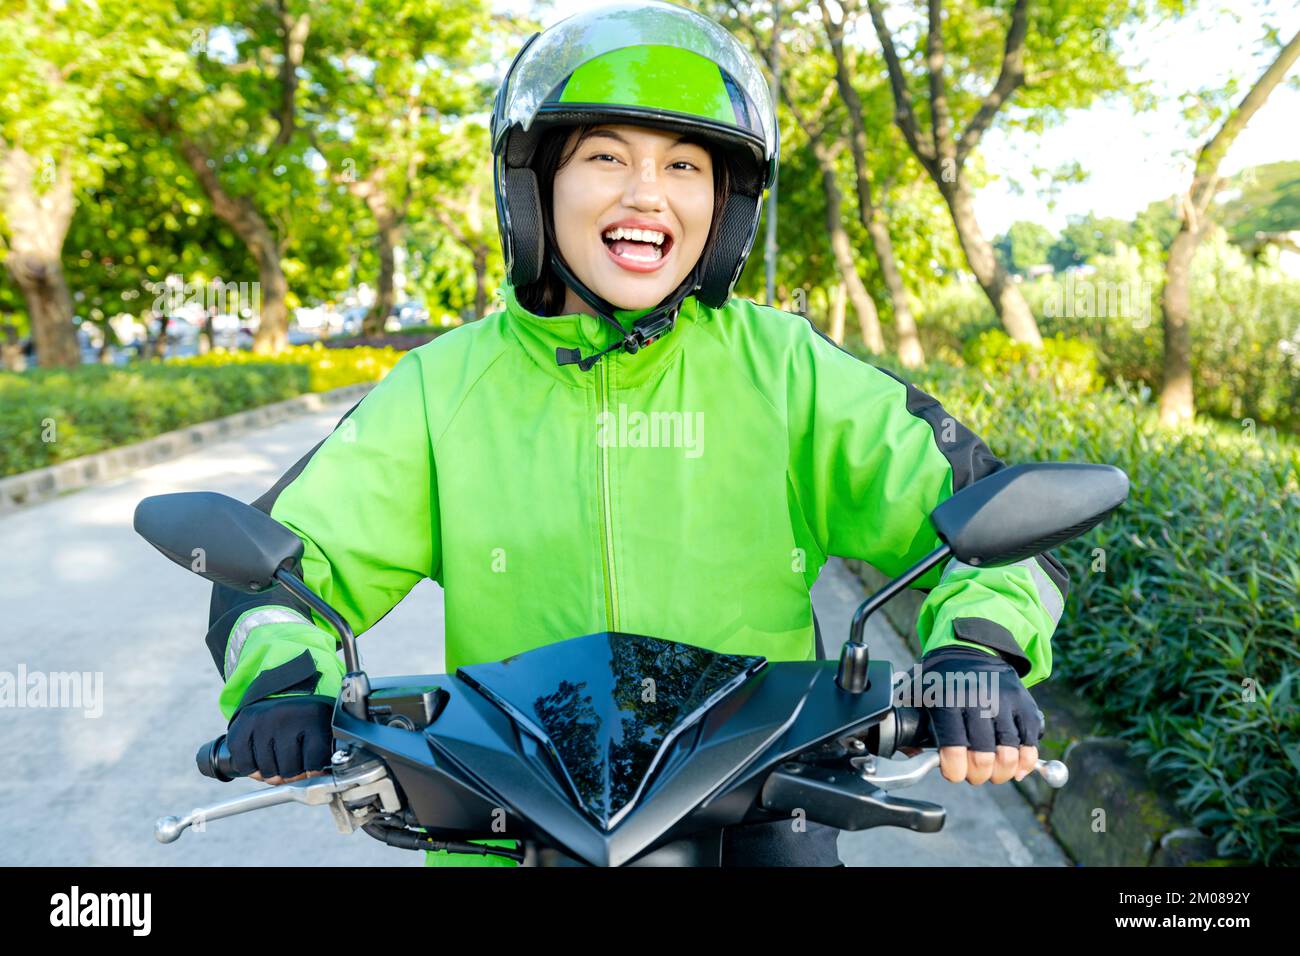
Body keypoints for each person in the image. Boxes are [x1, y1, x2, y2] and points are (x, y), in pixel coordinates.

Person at [204, 0, 1068, 867]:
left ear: (721, 206)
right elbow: (279, 569)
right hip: (507, 832)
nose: (647, 192)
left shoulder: (790, 371)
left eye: (685, 165)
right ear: (535, 185)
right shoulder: (440, 390)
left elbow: (996, 526)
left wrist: (977, 649)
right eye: (607, 156)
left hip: (757, 824)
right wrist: (284, 682)